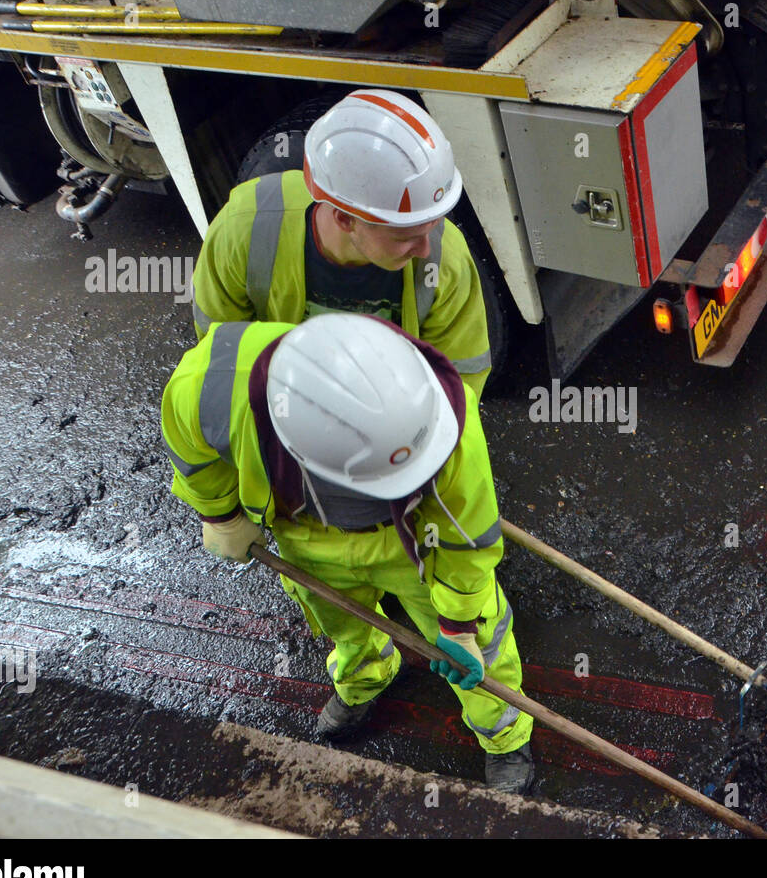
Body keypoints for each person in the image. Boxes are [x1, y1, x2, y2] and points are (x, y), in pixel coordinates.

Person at [160, 312, 534, 793]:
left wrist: (458, 625)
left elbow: (467, 539)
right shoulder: (210, 384)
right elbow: (192, 448)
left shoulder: (440, 410)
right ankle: (364, 678)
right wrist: (220, 514)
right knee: (343, 623)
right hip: (303, 532)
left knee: (480, 642)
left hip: (413, 541)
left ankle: (504, 734)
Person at [189, 89, 493, 398]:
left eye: (432, 224)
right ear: (345, 219)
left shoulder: (447, 259)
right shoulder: (244, 230)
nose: (426, 249)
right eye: (405, 236)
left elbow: (459, 383)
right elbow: (222, 356)